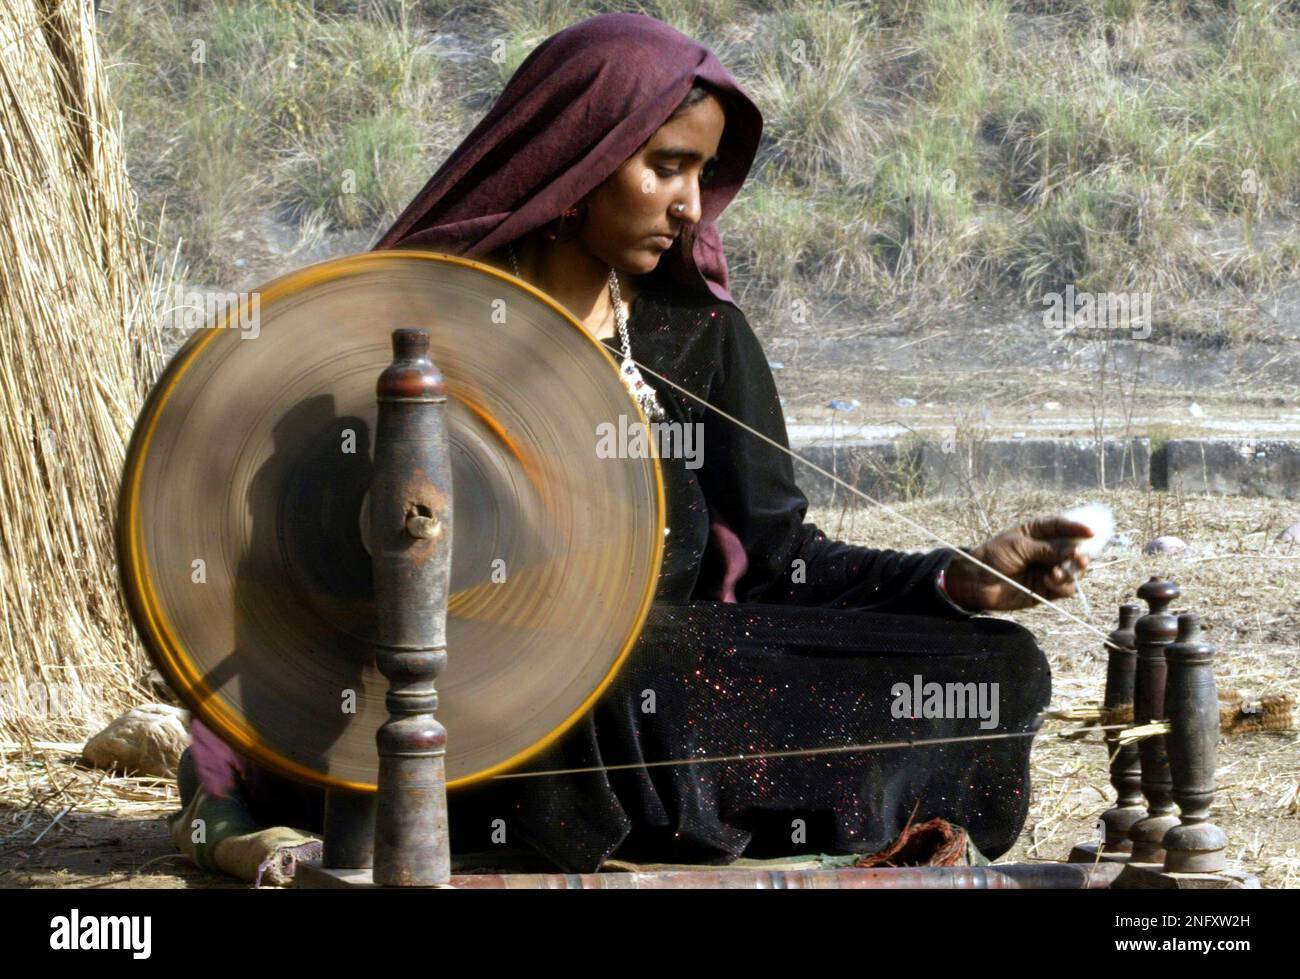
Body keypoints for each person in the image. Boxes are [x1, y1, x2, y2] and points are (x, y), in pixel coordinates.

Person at [175, 12, 1093, 877]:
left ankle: (717, 811)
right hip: (481, 707)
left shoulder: (697, 337)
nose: (692, 205)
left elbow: (782, 561)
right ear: (575, 163)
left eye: (701, 174)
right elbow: (316, 574)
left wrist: (957, 578)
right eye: (665, 167)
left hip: (674, 676)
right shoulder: (421, 330)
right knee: (615, 677)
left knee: (996, 665)